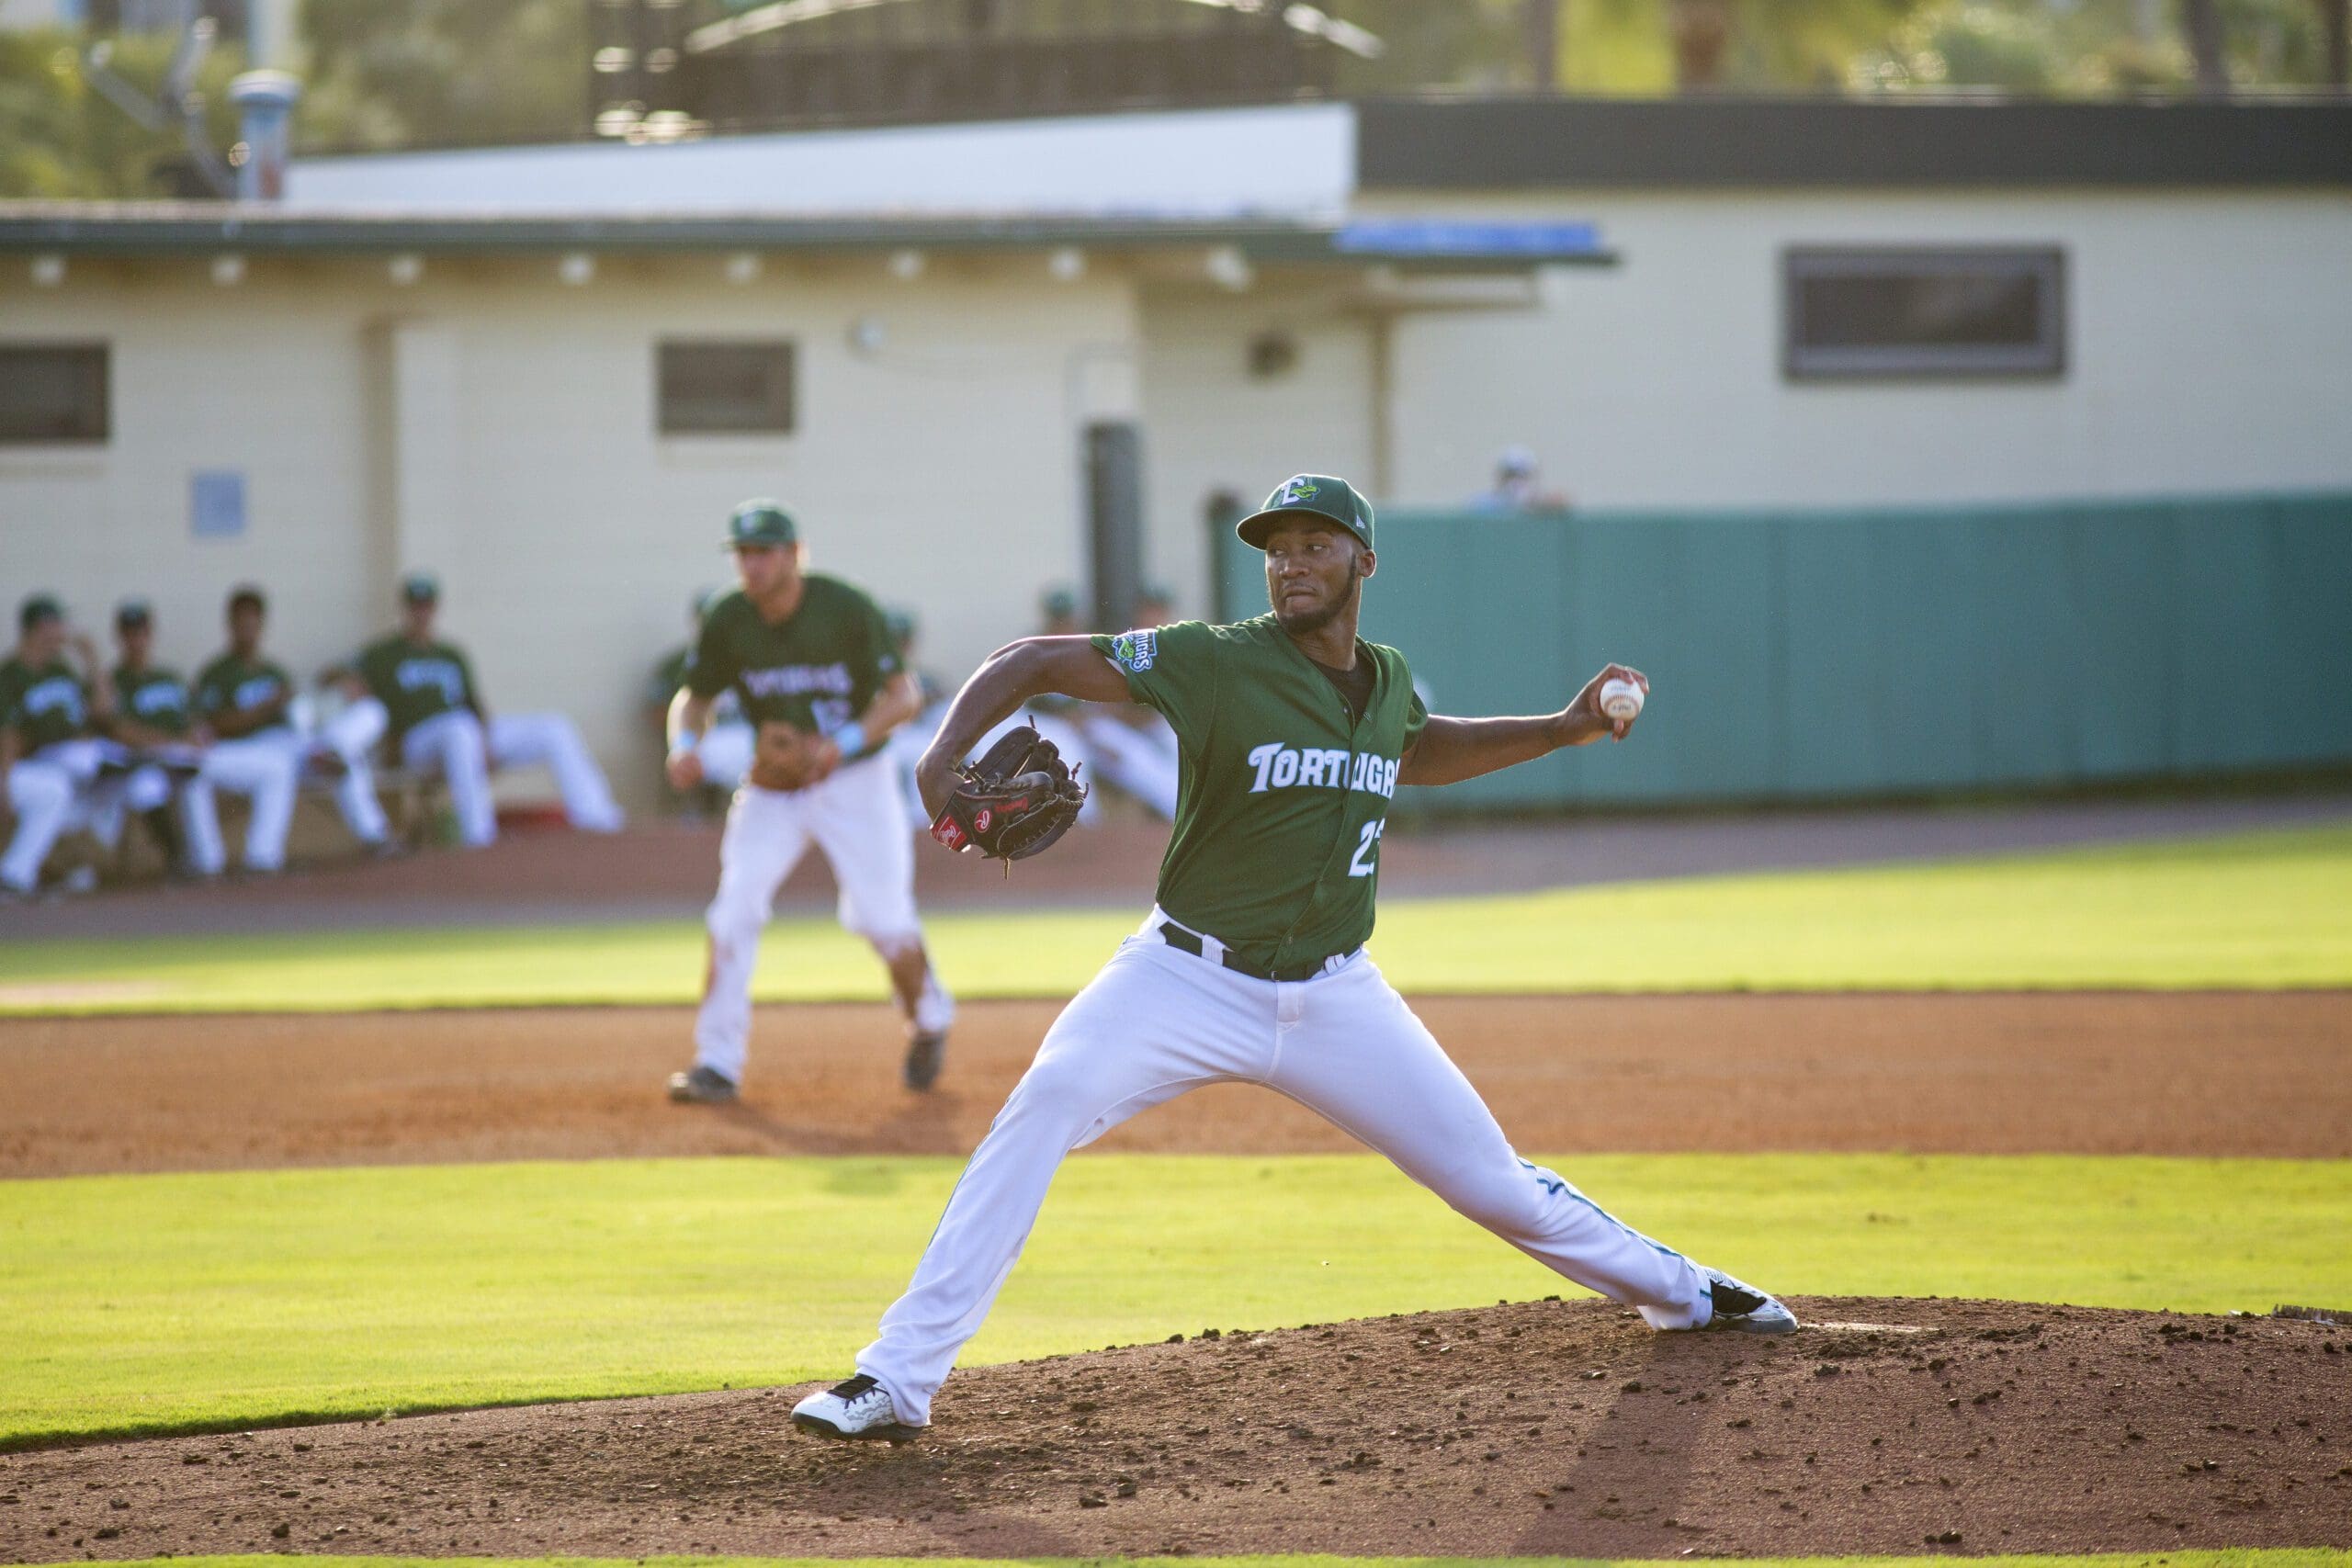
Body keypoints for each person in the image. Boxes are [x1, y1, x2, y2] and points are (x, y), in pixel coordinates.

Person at [789, 472, 1792, 1441]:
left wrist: (1562, 729)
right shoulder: (1215, 660)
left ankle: (1685, 1293)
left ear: (1364, 561)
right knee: (1043, 1105)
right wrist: (938, 757)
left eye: (1315, 544)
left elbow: (1418, 748)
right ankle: (896, 1377)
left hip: (1337, 995)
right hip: (1180, 976)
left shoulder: (1385, 680)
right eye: (1277, 549)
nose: (1291, 563)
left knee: (1493, 1182)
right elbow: (1029, 662)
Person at [663, 500, 956, 1103]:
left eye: (765, 552)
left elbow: (903, 697)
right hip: (774, 788)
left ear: (795, 554)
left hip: (855, 780)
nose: (752, 564)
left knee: (883, 921)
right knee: (732, 913)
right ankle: (717, 1061)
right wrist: (684, 745)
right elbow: (695, 697)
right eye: (744, 553)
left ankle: (929, 1018)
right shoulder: (729, 617)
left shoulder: (844, 607)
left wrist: (838, 745)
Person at [333, 572, 625, 848]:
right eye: (415, 605)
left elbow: (474, 704)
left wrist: (485, 739)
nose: (421, 612)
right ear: (405, 608)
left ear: (435, 607)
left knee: (554, 727)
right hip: (418, 741)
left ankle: (597, 818)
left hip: (466, 733)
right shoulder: (384, 653)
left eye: (427, 605)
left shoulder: (451, 653)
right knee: (459, 730)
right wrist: (353, 684)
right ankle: (478, 836)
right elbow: (336, 671)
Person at [193, 585, 390, 866]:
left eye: (253, 624)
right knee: (280, 767)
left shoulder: (274, 671)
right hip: (247, 749)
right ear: (230, 625)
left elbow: (299, 715)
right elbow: (214, 724)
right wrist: (265, 707)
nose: (248, 630)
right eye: (242, 623)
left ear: (262, 626)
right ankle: (262, 859)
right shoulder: (216, 672)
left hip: (289, 743)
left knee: (342, 751)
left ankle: (375, 835)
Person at [0, 593, 149, 897]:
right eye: (57, 624)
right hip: (32, 762)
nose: (64, 631)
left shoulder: (61, 670)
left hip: (68, 764)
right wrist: (3, 784)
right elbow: (8, 735)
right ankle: (16, 876)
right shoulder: (10, 675)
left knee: (116, 783)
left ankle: (83, 863)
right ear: (40, 627)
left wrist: (92, 662)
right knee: (69, 778)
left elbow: (103, 711)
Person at [106, 599, 232, 876]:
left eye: (141, 632)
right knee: (146, 788)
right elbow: (119, 730)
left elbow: (195, 719)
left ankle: (209, 862)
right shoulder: (113, 680)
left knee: (194, 775)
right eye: (130, 633)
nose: (136, 640)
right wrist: (171, 741)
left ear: (150, 634)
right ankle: (178, 857)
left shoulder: (169, 677)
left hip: (182, 757)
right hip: (139, 760)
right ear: (120, 637)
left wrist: (195, 735)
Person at [650, 590, 752, 805]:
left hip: (749, 735)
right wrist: (683, 741)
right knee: (698, 756)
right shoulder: (678, 662)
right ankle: (694, 813)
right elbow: (660, 711)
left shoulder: (753, 656)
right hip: (708, 736)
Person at [1469, 446, 1570, 513]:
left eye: (1523, 476)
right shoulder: (1483, 504)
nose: (1516, 481)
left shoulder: (1541, 506)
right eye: (1511, 475)